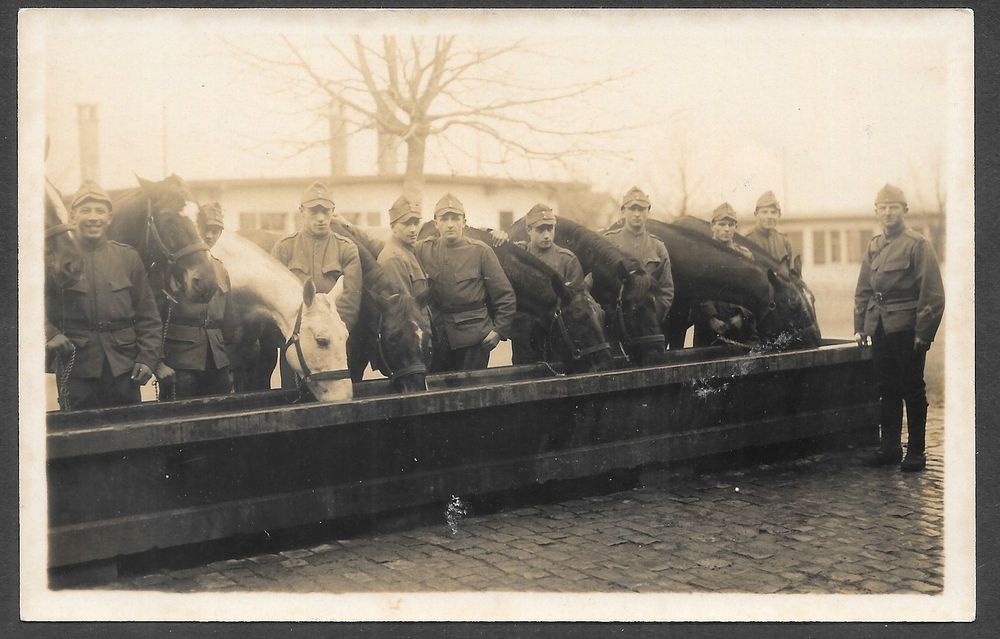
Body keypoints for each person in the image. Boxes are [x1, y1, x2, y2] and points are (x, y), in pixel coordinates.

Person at [44, 181, 162, 409]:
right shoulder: (58, 257)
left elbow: (148, 316)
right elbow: (29, 304)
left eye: (100, 211)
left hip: (125, 367)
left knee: (129, 426)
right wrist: (50, 333)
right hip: (78, 367)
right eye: (85, 210)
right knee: (79, 428)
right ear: (72, 216)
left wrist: (147, 359)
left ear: (109, 218)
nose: (93, 217)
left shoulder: (128, 258)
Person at [855, 184, 945, 472]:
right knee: (886, 388)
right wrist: (861, 326)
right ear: (876, 212)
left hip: (907, 328)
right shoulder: (874, 245)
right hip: (880, 327)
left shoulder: (917, 244)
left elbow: (932, 293)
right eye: (882, 208)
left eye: (893, 207)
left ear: (904, 211)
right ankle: (890, 448)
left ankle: (916, 452)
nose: (888, 212)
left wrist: (923, 332)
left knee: (912, 388)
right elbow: (864, 288)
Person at [272, 181, 363, 388]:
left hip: (333, 346)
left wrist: (330, 335)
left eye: (326, 211)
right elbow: (275, 300)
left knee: (336, 396)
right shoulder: (285, 248)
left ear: (333, 211)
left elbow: (351, 299)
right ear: (302, 211)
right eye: (314, 211)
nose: (321, 218)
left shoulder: (346, 249)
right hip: (296, 344)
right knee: (292, 398)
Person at [415, 193, 516, 371]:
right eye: (444, 219)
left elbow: (505, 296)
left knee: (471, 387)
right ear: (436, 223)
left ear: (464, 222)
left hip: (473, 340)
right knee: (437, 386)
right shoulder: (424, 249)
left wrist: (498, 331)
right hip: (438, 339)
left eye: (455, 218)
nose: (450, 224)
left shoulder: (481, 251)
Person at [154, 202, 235, 400]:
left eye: (215, 231)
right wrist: (158, 363)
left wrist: (230, 363)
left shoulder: (220, 269)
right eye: (205, 229)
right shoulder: (168, 267)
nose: (209, 236)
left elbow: (229, 323)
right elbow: (152, 320)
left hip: (218, 363)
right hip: (180, 364)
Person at [511, 203, 585, 364]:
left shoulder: (567, 259)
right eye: (540, 230)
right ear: (529, 230)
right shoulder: (518, 255)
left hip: (557, 334)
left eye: (550, 229)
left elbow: (577, 302)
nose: (546, 235)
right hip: (525, 336)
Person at [690, 203, 757, 347]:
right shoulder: (701, 255)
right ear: (712, 226)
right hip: (709, 328)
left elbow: (753, 291)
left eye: (731, 225)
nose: (727, 229)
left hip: (740, 326)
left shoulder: (745, 256)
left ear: (736, 227)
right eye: (722, 224)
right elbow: (697, 291)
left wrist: (742, 315)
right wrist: (711, 318)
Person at [603, 186, 674, 322]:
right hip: (615, 319)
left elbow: (666, 290)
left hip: (647, 322)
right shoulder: (609, 242)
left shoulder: (658, 247)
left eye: (641, 209)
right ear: (623, 211)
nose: (637, 214)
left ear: (648, 212)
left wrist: (654, 316)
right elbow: (599, 284)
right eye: (632, 209)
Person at [378, 195, 429, 300]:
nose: (413, 229)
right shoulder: (393, 259)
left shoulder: (409, 250)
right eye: (406, 224)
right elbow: (403, 306)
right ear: (393, 227)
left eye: (416, 223)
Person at [745, 190, 796, 265]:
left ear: (779, 215)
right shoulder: (746, 240)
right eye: (764, 212)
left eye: (773, 212)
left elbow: (791, 270)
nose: (769, 216)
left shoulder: (784, 242)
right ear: (756, 214)